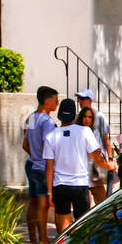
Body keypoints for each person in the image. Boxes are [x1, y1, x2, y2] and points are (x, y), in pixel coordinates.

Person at [45, 97, 112, 233]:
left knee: (63, 223)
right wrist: (110, 166)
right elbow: (97, 158)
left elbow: (49, 167)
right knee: (82, 224)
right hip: (80, 184)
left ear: (59, 115)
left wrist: (49, 191)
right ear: (75, 114)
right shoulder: (84, 131)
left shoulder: (50, 136)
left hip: (60, 185)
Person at [21, 85, 58, 244]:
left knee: (34, 202)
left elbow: (25, 144)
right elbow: (47, 144)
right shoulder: (48, 122)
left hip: (31, 165)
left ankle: (32, 239)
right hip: (43, 167)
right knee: (44, 204)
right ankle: (44, 239)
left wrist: (34, 156)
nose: (57, 104)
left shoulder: (32, 118)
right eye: (56, 100)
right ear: (48, 101)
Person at [76, 88, 114, 202]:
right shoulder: (77, 118)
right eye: (79, 99)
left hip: (96, 161)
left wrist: (110, 158)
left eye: (83, 99)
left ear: (90, 100)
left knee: (101, 196)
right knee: (85, 197)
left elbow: (106, 138)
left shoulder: (100, 117)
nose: (80, 101)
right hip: (82, 161)